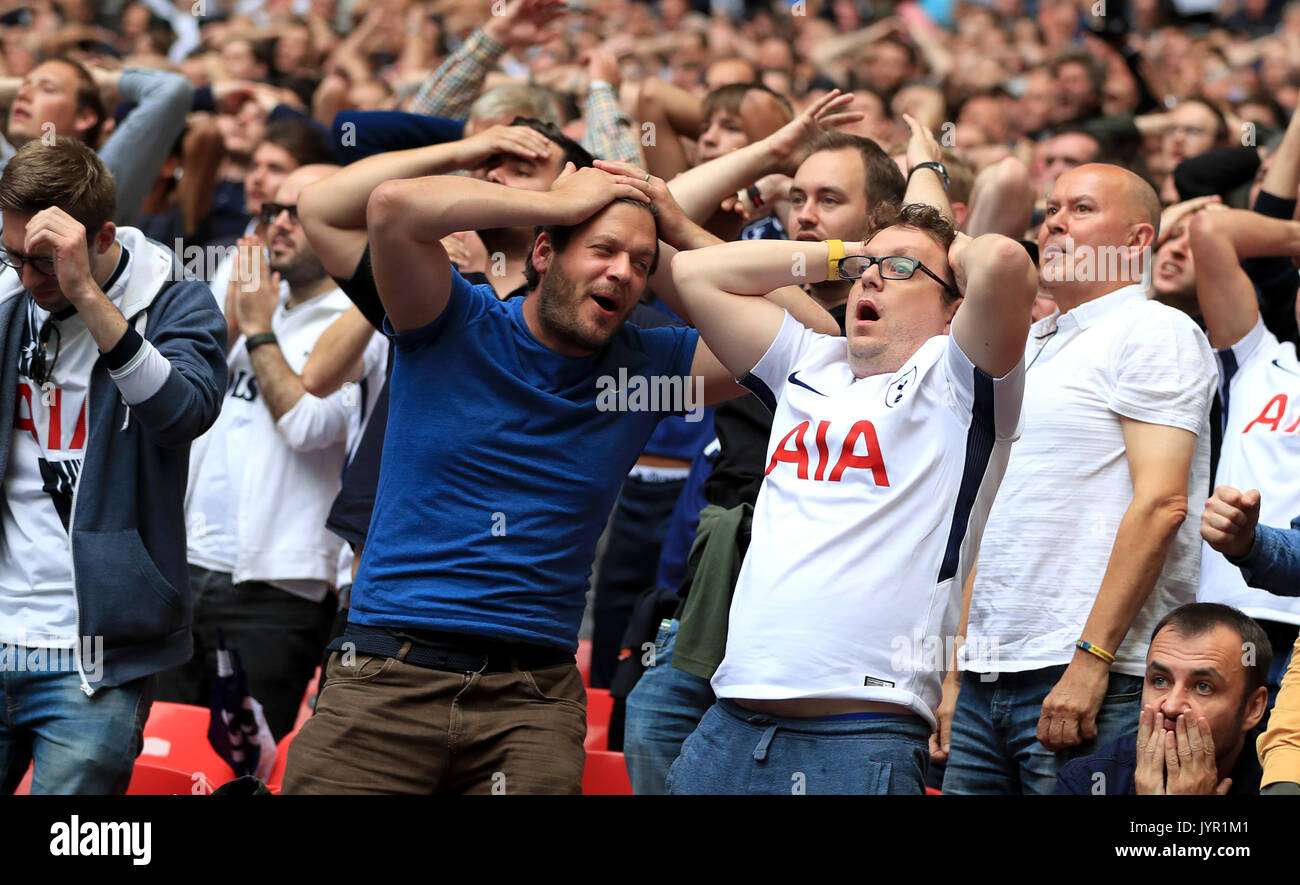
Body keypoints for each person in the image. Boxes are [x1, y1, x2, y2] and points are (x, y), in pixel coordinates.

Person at [282, 158, 835, 794]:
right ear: (544, 251)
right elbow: (390, 208)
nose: (622, 273)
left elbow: (815, 346)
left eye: (640, 264)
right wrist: (552, 202)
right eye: (602, 250)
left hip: (531, 702)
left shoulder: (641, 376)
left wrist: (683, 232)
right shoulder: (450, 322)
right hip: (387, 675)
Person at [663, 200, 1036, 794]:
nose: (871, 276)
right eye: (867, 264)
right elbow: (695, 274)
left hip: (861, 736)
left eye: (901, 269)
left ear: (955, 308)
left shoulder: (962, 381)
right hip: (728, 721)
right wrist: (845, 256)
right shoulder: (809, 361)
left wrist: (941, 249)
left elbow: (1005, 259)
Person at [940, 163, 1219, 795]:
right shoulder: (1030, 344)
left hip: (1096, 673)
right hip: (988, 680)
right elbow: (993, 518)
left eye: (1082, 209)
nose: (1056, 222)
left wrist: (1091, 665)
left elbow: (1162, 504)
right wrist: (958, 674)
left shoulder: (1156, 330)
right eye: (1051, 209)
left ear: (1138, 241)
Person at [0, 138, 225, 793]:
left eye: (45, 263)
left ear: (101, 237)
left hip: (98, 658)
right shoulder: (12, 300)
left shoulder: (176, 299)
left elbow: (183, 412)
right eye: (14, 258)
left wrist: (87, 295)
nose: (28, 280)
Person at [158, 164, 381, 741]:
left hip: (280, 586)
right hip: (185, 564)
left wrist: (258, 330)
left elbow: (308, 424)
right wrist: (233, 322)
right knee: (159, 751)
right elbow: (177, 403)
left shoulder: (364, 323)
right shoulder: (244, 283)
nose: (279, 225)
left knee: (244, 767)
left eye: (299, 214)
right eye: (271, 212)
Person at [1055, 603, 1269, 795]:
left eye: (1203, 687)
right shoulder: (1087, 780)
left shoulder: (1283, 778)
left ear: (1253, 708)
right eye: (1159, 681)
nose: (1171, 706)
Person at [0, 57, 194, 224]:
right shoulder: (6, 162)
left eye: (48, 88)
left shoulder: (95, 185)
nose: (22, 94)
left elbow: (173, 91)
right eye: (22, 86)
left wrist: (104, 79)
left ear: (84, 117)